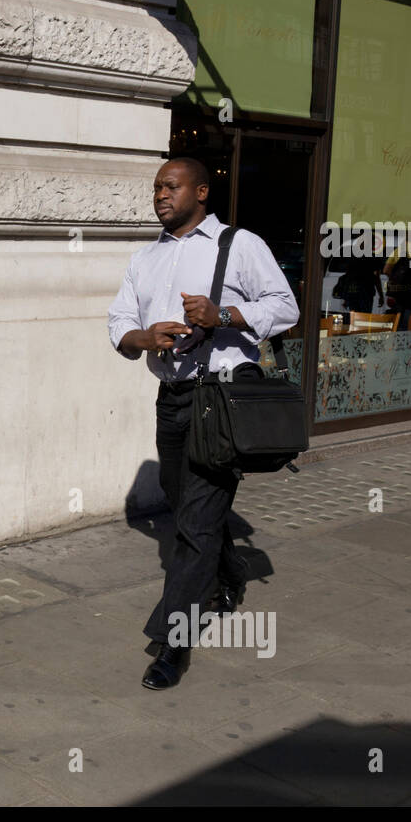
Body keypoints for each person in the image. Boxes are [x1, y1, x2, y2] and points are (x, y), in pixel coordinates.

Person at [107, 158, 299, 690]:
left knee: (194, 525)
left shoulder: (239, 245)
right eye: (156, 188)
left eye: (171, 186)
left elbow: (287, 307)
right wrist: (143, 337)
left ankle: (173, 643)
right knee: (184, 509)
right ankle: (230, 571)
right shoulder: (145, 258)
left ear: (201, 191)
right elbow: (119, 318)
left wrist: (226, 316)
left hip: (221, 403)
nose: (161, 195)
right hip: (171, 400)